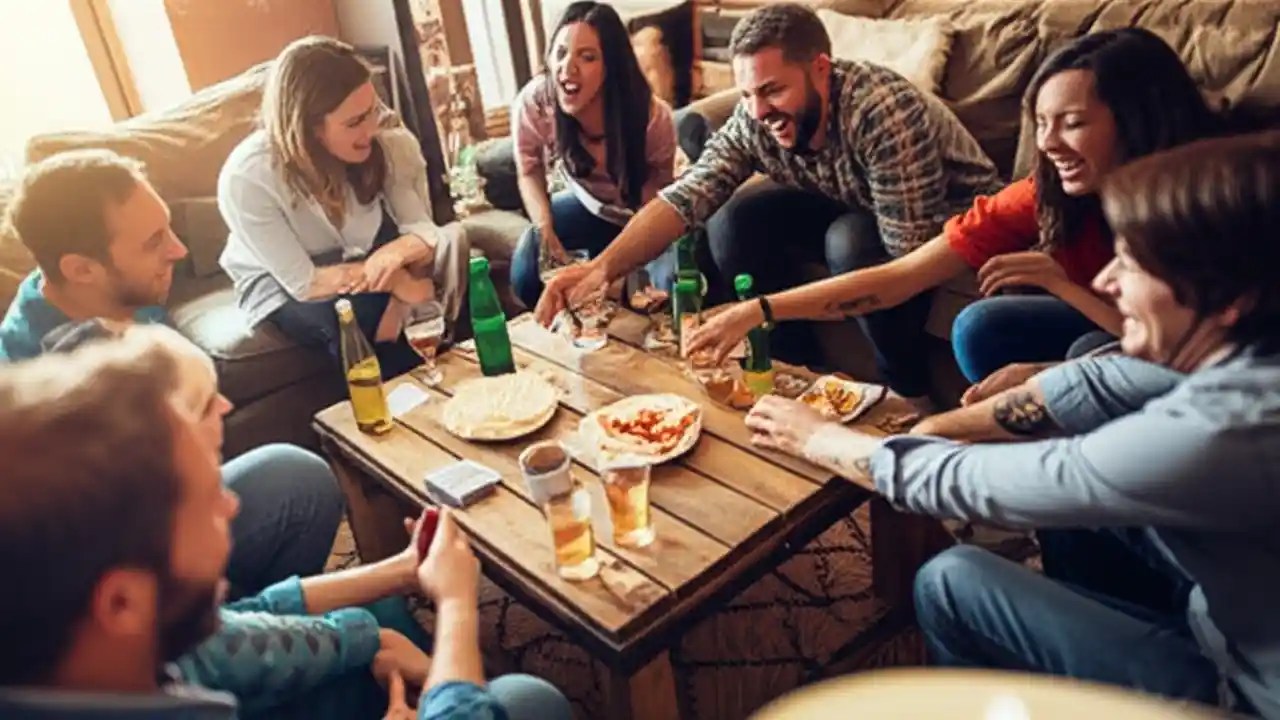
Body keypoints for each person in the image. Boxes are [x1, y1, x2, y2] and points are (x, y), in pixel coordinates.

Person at [740, 130, 1280, 716]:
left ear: (1228, 298)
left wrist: (820, 438)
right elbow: (1101, 382)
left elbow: (977, 484)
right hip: (1224, 619)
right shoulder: (1251, 356)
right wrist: (935, 427)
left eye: (1134, 263)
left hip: (1241, 694)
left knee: (951, 580)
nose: (1106, 281)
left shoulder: (1221, 433)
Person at [0, 330, 574, 720]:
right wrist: (457, 607)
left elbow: (230, 633)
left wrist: (391, 592)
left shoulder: (114, 645)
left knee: (380, 620)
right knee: (529, 701)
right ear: (122, 602)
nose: (232, 506)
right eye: (207, 500)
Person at [683, 27, 1219, 393]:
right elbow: (899, 277)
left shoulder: (1204, 204)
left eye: (1073, 123)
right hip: (1128, 329)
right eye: (1041, 124)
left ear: (1137, 119)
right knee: (979, 325)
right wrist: (759, 310)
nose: (1048, 144)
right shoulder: (1043, 192)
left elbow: (1187, 355)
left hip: (1184, 361)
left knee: (1085, 346)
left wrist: (1046, 366)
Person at [537, 2, 1000, 402]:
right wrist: (600, 269)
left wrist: (761, 307)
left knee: (849, 241)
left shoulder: (881, 112)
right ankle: (795, 370)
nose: (759, 111)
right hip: (852, 196)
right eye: (748, 94)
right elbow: (686, 195)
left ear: (822, 70)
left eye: (773, 90)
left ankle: (906, 394)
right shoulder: (755, 118)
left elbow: (906, 266)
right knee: (733, 219)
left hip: (943, 216)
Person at [0, 149, 344, 599]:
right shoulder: (42, 391)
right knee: (295, 481)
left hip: (171, 509)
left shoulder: (99, 291)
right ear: (81, 269)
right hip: (121, 565)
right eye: (153, 242)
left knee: (301, 478)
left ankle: (259, 612)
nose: (179, 251)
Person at [218, 36, 470, 380]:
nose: (372, 129)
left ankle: (466, 381)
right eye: (354, 123)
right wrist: (396, 282)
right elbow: (304, 283)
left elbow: (422, 230)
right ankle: (405, 401)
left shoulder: (387, 143)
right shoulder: (248, 178)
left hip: (364, 251)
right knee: (352, 316)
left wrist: (397, 254)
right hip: (280, 277)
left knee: (459, 278)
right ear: (308, 129)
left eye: (372, 111)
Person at [509, 0, 678, 309]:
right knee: (527, 265)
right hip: (593, 209)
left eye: (587, 57)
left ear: (611, 66)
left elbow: (658, 204)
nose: (568, 67)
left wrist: (616, 266)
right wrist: (545, 228)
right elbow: (529, 170)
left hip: (646, 214)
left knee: (665, 290)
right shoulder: (536, 103)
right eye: (561, 53)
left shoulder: (653, 118)